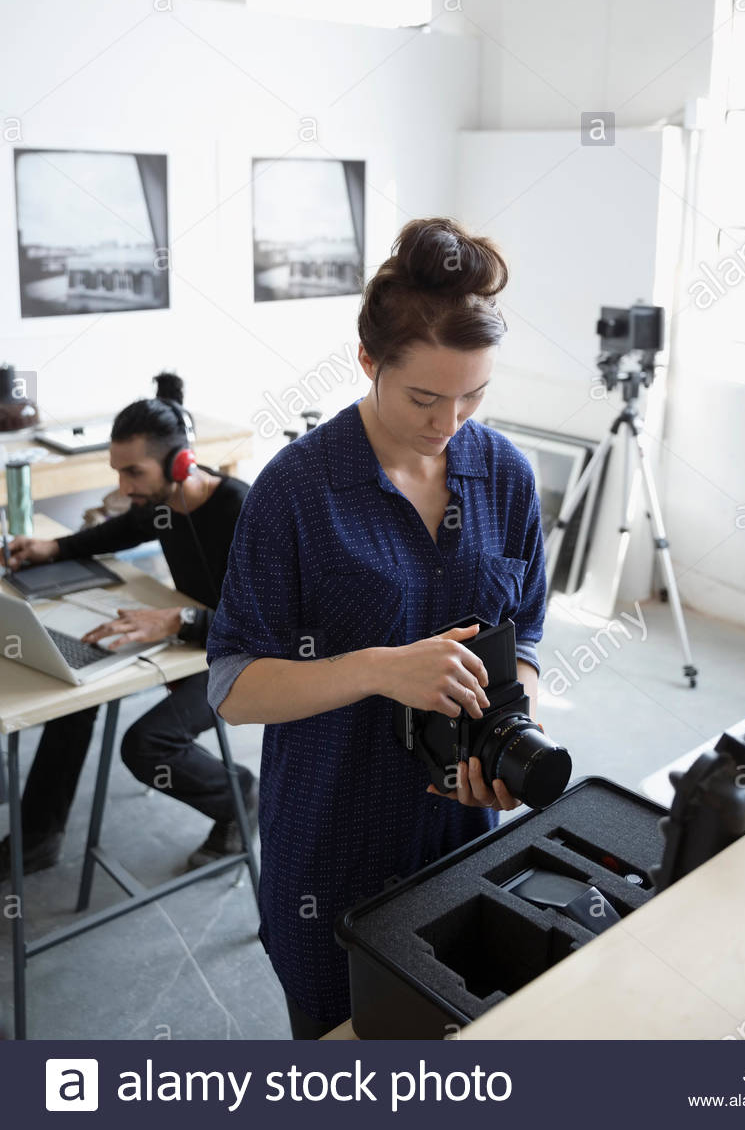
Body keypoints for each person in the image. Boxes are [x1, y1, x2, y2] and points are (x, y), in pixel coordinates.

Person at [207, 217, 547, 1038]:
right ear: (368, 362)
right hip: (332, 849)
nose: (449, 422)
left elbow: (526, 639)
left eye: (474, 396)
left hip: (465, 835)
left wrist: (514, 724)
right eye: (425, 397)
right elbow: (232, 687)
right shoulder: (295, 493)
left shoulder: (504, 475)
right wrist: (376, 669)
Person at [0, 372, 258, 882]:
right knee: (75, 690)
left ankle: (241, 795)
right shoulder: (162, 504)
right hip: (186, 643)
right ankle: (37, 839)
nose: (122, 487)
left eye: (133, 472)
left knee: (148, 744)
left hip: (244, 658)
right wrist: (56, 547)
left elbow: (269, 622)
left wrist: (178, 619)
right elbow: (122, 528)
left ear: (179, 462)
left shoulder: (243, 510)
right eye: (118, 472)